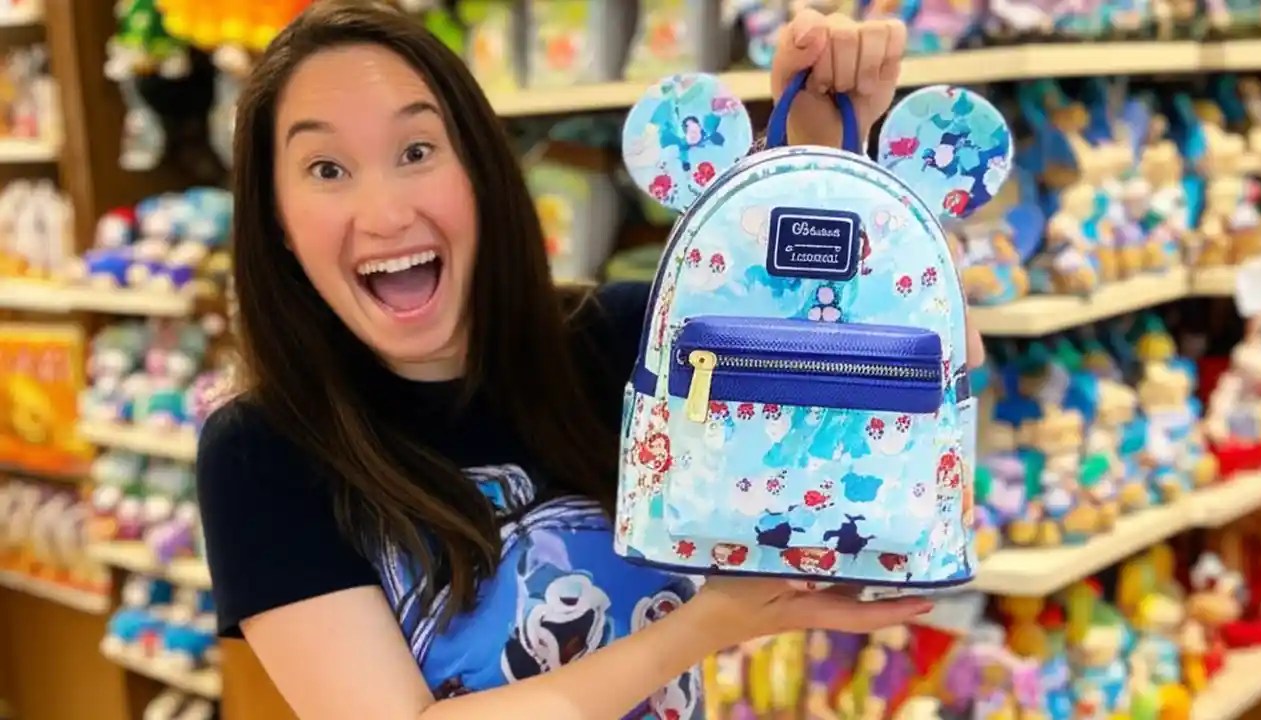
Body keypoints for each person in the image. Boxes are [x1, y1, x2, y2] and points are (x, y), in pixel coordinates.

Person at [196, 2, 983, 719]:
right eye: (326, 169)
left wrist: (817, 162)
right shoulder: (265, 451)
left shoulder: (619, 338)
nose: (387, 212)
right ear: (277, 221)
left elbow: (920, 359)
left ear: (480, 169)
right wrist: (705, 627)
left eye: (416, 149)